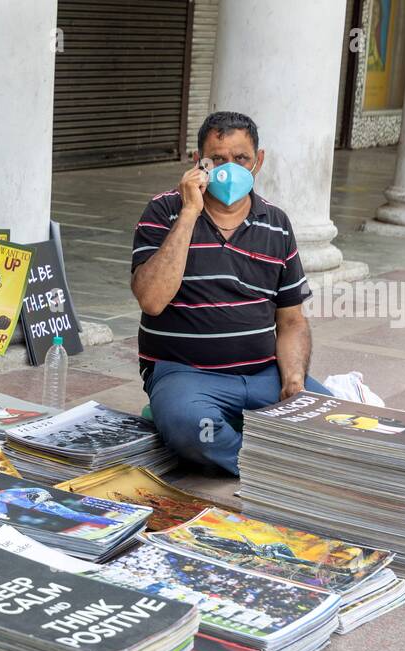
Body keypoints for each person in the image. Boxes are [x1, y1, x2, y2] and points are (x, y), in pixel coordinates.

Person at [130, 111, 331, 476]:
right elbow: (152, 299)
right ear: (198, 162)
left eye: (241, 159)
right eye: (218, 160)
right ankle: (270, 471)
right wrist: (189, 212)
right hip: (186, 375)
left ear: (259, 161)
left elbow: (291, 321)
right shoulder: (163, 211)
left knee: (331, 419)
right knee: (193, 428)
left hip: (263, 376)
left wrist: (294, 382)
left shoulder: (277, 223)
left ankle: (250, 456)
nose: (230, 169)